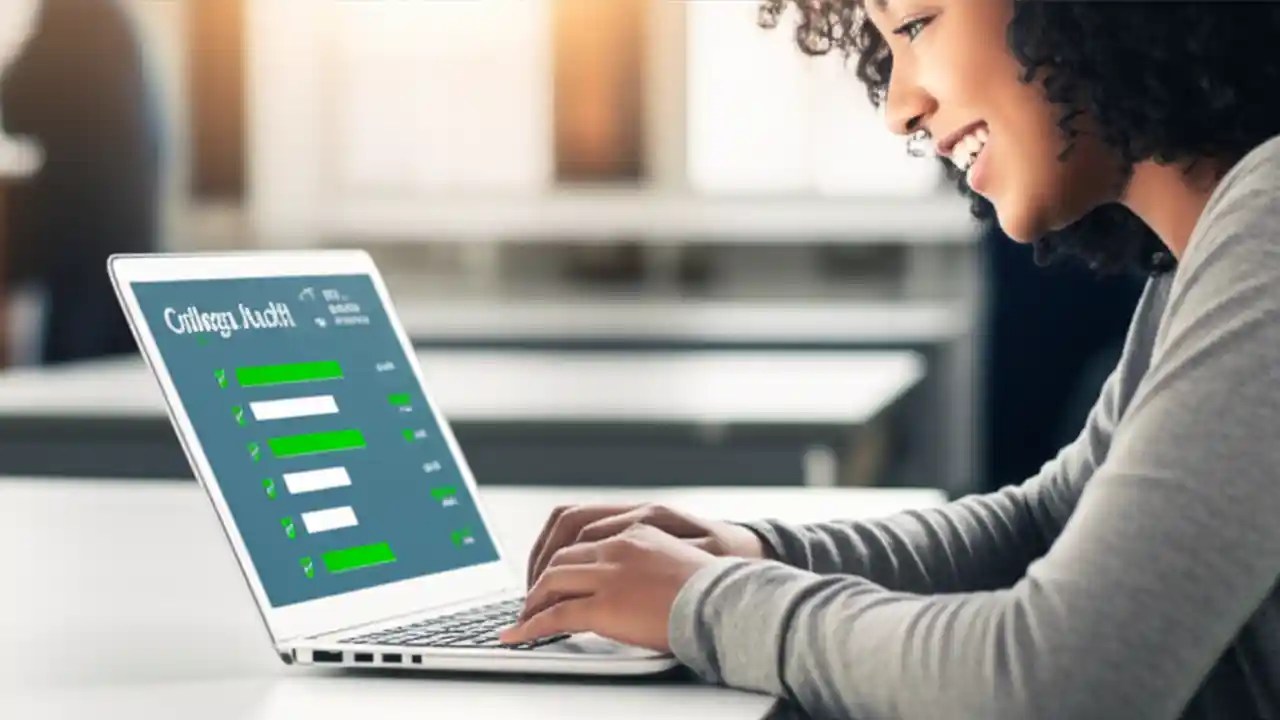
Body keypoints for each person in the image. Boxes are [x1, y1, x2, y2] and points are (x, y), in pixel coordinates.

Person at [498, 2, 1280, 718]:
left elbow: (1054, 680)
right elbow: (1050, 522)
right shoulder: (1203, 256)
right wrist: (761, 551)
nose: (900, 106)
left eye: (914, 24)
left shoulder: (1269, 229)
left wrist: (705, 601)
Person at [1, 0, 160, 363]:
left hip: (82, 224)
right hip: (122, 221)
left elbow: (14, 102)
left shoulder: (72, 15)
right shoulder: (116, 21)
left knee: (80, 347)